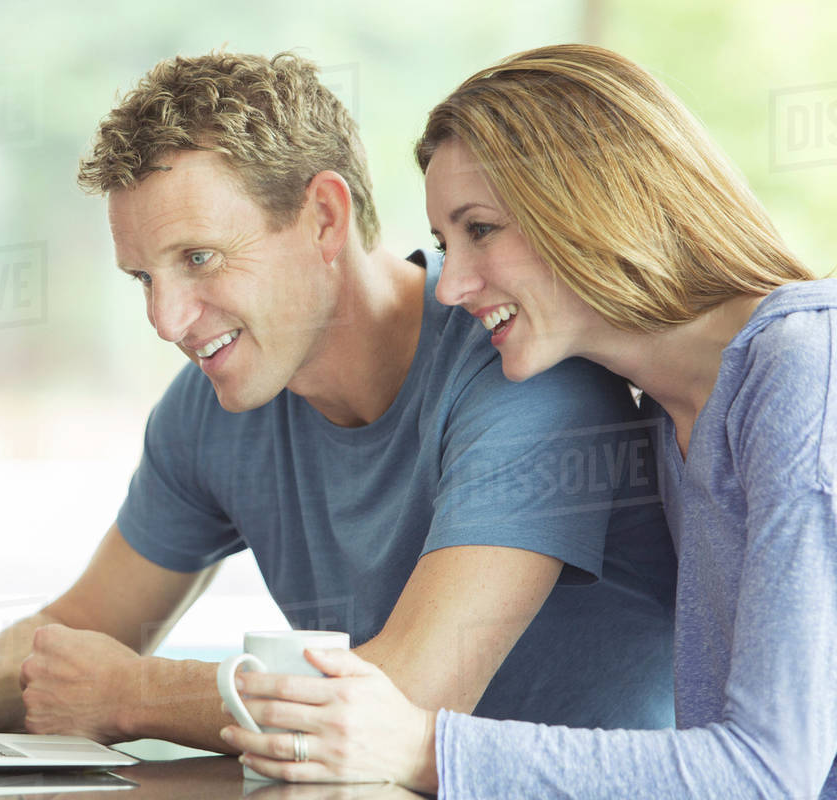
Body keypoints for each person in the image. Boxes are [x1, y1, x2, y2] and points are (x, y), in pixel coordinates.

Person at [0, 51, 677, 754]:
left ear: (321, 218)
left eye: (198, 259)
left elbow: (404, 694)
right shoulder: (216, 406)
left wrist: (138, 698)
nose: (165, 320)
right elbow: (85, 631)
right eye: (143, 279)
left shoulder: (525, 370)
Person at [223, 44, 837, 797]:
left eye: (481, 229)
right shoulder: (666, 420)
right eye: (446, 245)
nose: (451, 288)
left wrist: (423, 748)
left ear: (596, 198)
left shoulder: (804, 371)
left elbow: (771, 773)